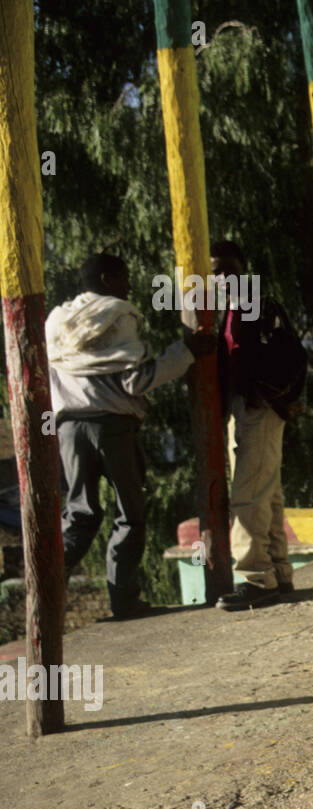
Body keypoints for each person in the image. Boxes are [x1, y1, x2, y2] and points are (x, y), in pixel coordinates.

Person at [47, 252, 215, 619]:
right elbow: (135, 380)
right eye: (124, 277)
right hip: (113, 428)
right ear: (107, 279)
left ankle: (43, 591)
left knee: (79, 515)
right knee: (130, 514)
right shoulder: (118, 315)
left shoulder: (57, 319)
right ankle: (124, 602)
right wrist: (184, 352)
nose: (130, 285)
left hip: (69, 430)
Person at [211, 240, 302, 611]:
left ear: (244, 268)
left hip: (260, 409)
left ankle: (255, 578)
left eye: (227, 269)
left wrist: (258, 395)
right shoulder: (235, 308)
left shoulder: (254, 305)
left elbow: (263, 358)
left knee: (248, 495)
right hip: (250, 410)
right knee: (267, 492)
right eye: (214, 272)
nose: (220, 277)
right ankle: (278, 572)